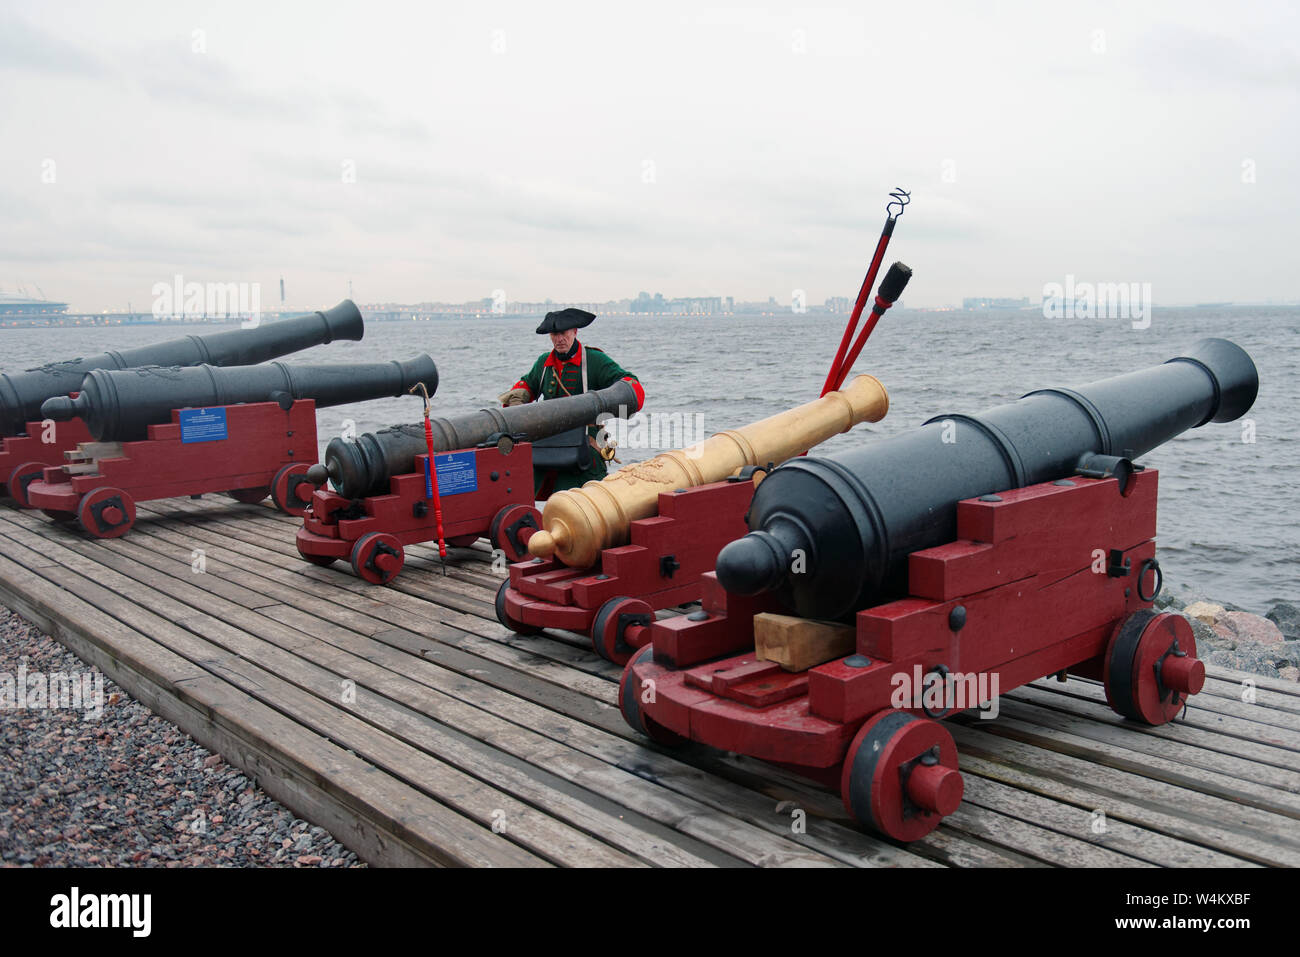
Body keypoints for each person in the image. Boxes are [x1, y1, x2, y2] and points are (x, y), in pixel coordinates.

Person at [499, 307, 644, 497]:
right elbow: (525, 386)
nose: (559, 339)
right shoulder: (544, 363)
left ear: (575, 331)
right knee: (521, 490)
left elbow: (628, 382)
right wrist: (518, 401)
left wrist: (622, 395)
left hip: (585, 445)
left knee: (584, 501)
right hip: (549, 445)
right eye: (554, 334)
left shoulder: (593, 360)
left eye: (563, 333)